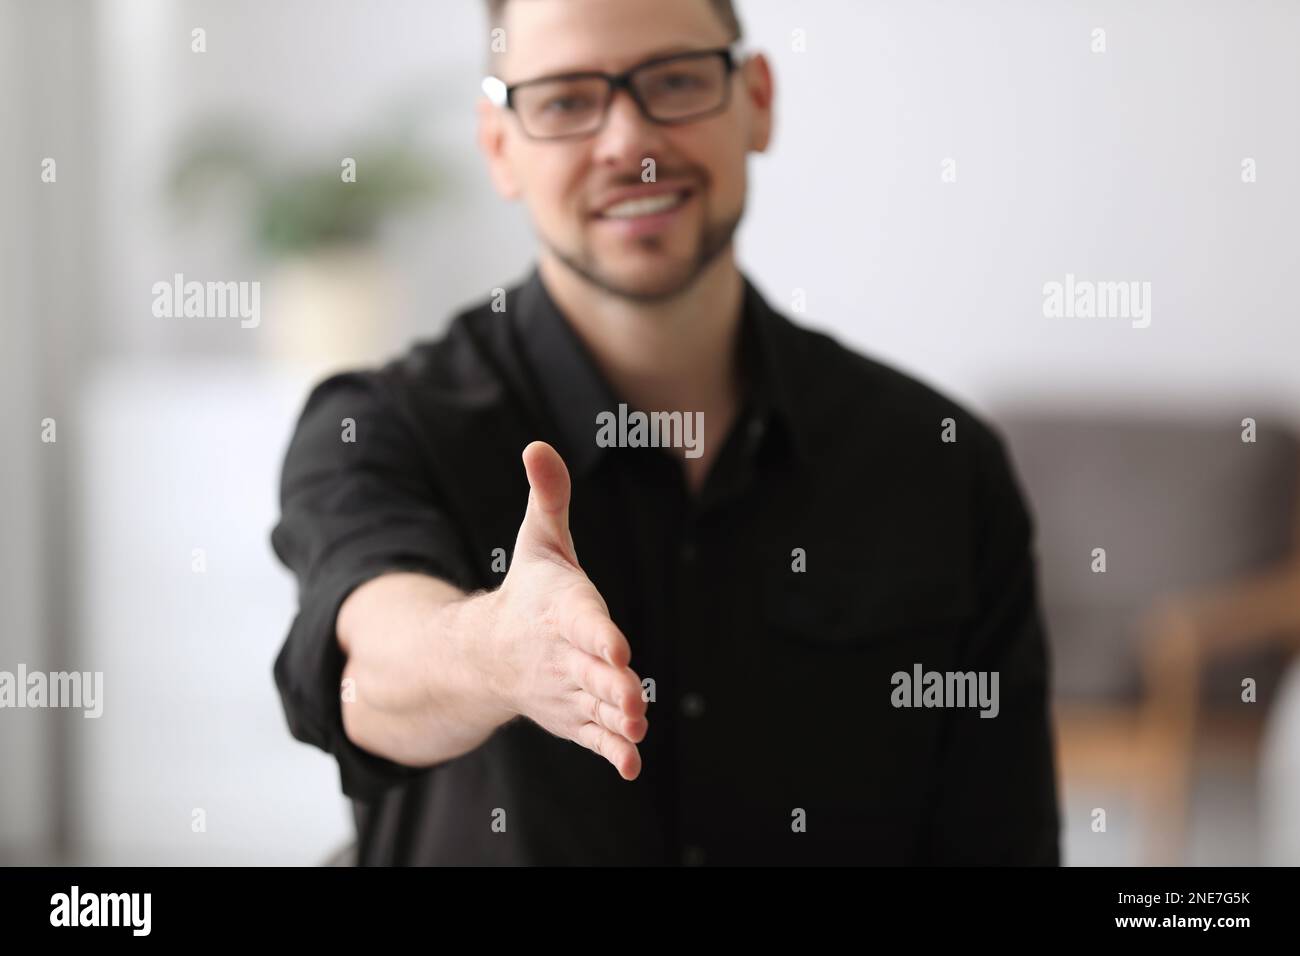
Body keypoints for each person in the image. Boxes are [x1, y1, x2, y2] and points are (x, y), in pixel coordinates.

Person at [270, 0, 1060, 865]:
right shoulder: (380, 426)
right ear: (501, 146)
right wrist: (500, 654)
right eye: (567, 101)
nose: (629, 144)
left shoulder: (942, 465)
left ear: (756, 99)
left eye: (675, 81)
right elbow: (362, 672)